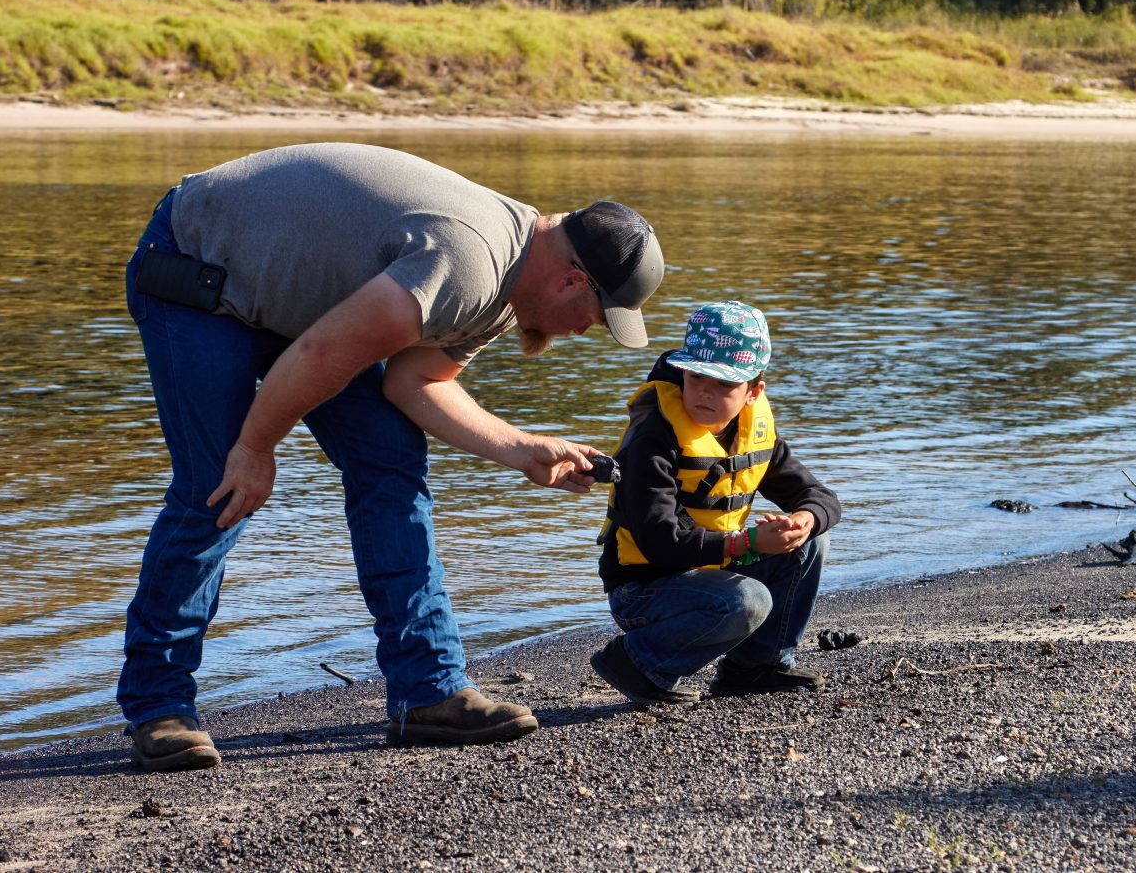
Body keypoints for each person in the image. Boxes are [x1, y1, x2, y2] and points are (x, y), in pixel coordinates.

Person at [119, 142, 664, 771]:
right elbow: (323, 355)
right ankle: (158, 706)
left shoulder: (507, 286)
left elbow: (414, 385)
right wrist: (254, 447)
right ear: (573, 281)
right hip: (199, 267)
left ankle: (427, 692)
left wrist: (523, 450)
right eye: (596, 317)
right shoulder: (469, 264)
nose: (584, 331)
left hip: (300, 303)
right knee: (220, 485)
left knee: (390, 459)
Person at [589, 301, 839, 706]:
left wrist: (804, 521)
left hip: (710, 570)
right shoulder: (654, 439)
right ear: (683, 371)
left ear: (753, 391)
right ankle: (638, 661)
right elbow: (659, 542)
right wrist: (750, 543)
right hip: (642, 589)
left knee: (810, 544)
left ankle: (755, 668)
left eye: (724, 385)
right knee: (748, 600)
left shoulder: (755, 432)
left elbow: (820, 496)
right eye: (696, 376)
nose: (706, 391)